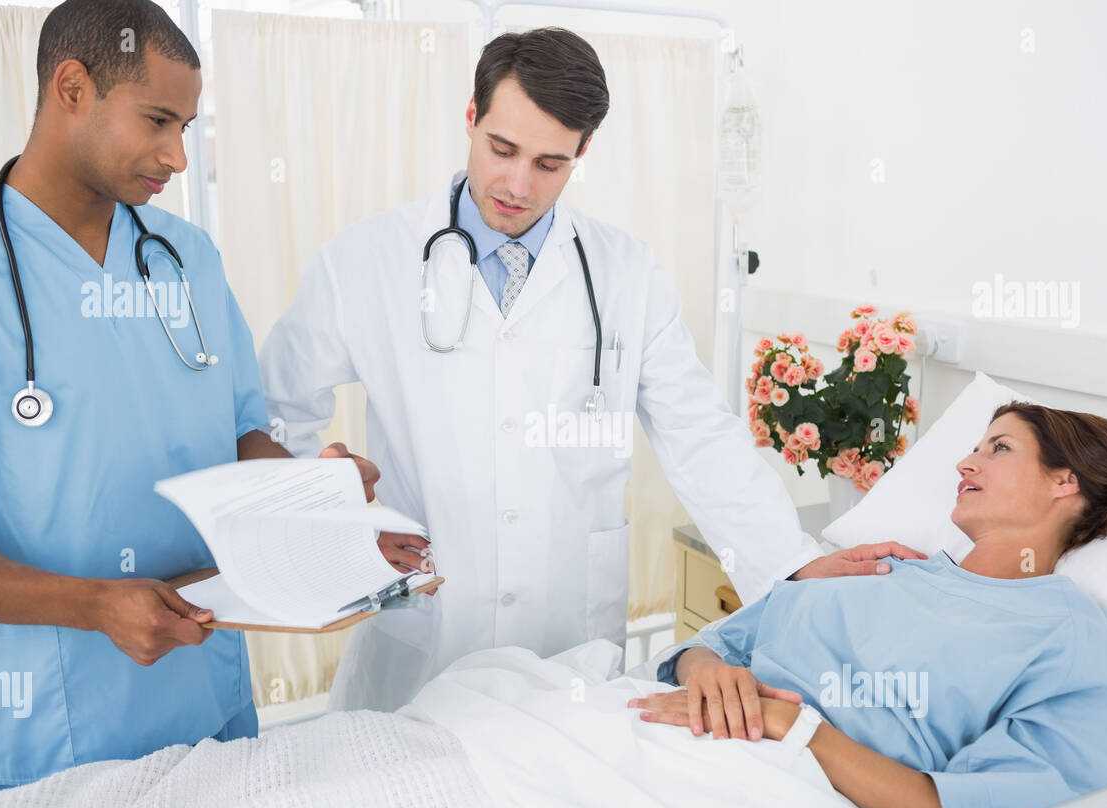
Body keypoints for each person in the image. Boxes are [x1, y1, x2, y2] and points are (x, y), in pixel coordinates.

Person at [257, 27, 924, 714]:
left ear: (583, 151)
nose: (517, 185)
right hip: (420, 644)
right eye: (501, 149)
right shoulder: (367, 260)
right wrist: (337, 525)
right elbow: (275, 410)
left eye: (549, 163)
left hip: (564, 650)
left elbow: (698, 432)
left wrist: (789, 561)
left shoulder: (626, 273)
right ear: (470, 117)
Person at [0, 0, 388, 790]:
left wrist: (311, 495)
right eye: (158, 121)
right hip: (47, 729)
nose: (178, 157)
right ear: (72, 88)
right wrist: (94, 605)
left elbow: (242, 429)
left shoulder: (187, 258)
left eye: (188, 127)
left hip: (204, 694)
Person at [632, 402, 1107, 808]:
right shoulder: (879, 567)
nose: (965, 463)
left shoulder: (1076, 641)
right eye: (975, 447)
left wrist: (788, 724)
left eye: (999, 448)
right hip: (654, 734)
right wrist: (709, 672)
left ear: (1065, 481)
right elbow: (704, 644)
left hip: (764, 803)